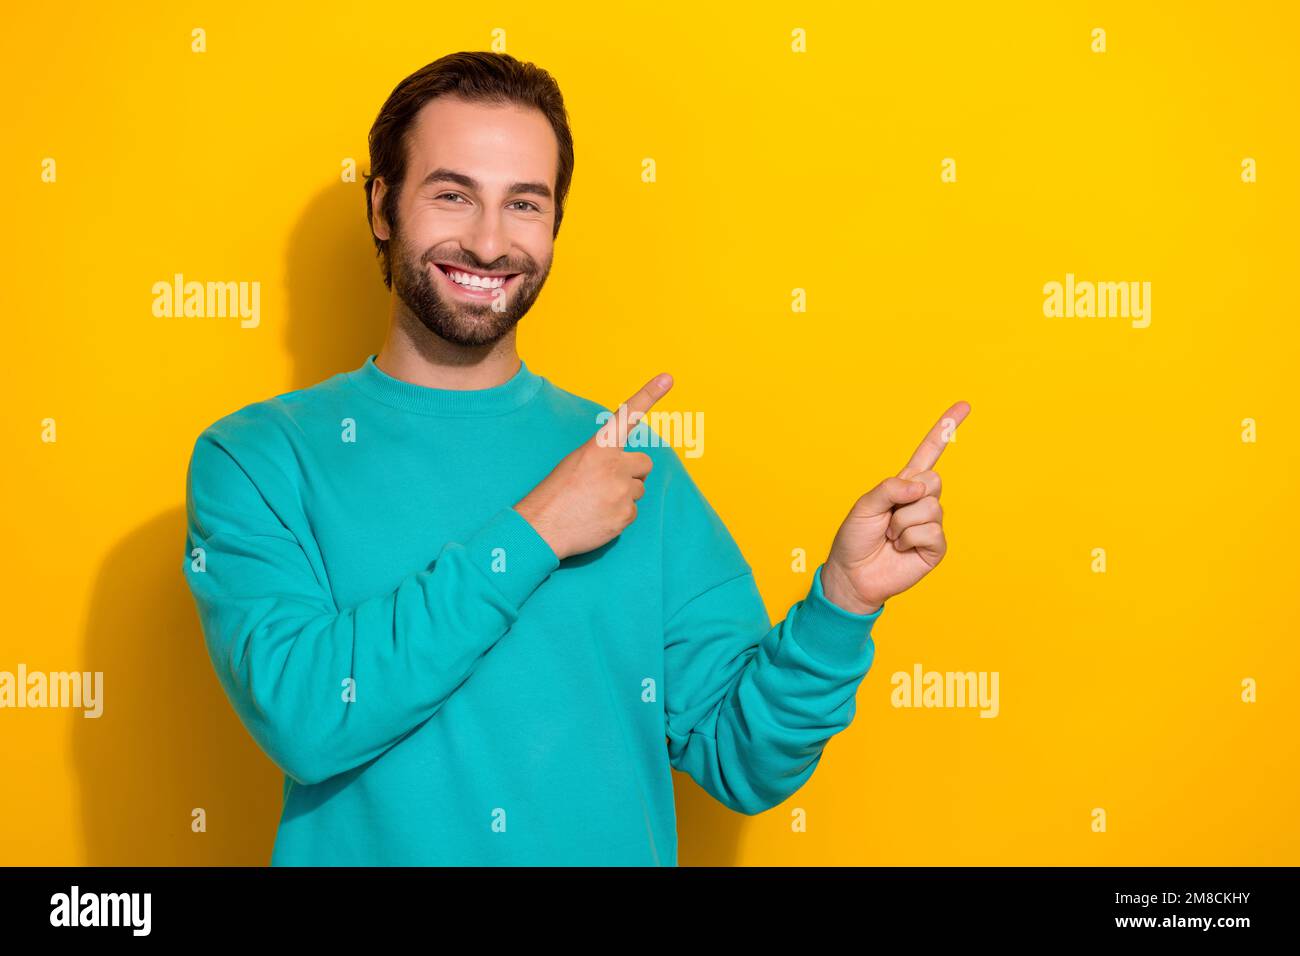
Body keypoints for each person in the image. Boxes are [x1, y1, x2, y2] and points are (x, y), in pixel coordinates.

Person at [181, 50, 969, 866]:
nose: (488, 243)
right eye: (453, 194)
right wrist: (539, 529)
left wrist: (841, 606)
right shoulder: (256, 459)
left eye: (524, 204)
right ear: (382, 205)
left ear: (555, 221)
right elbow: (307, 720)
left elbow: (742, 758)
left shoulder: (630, 464)